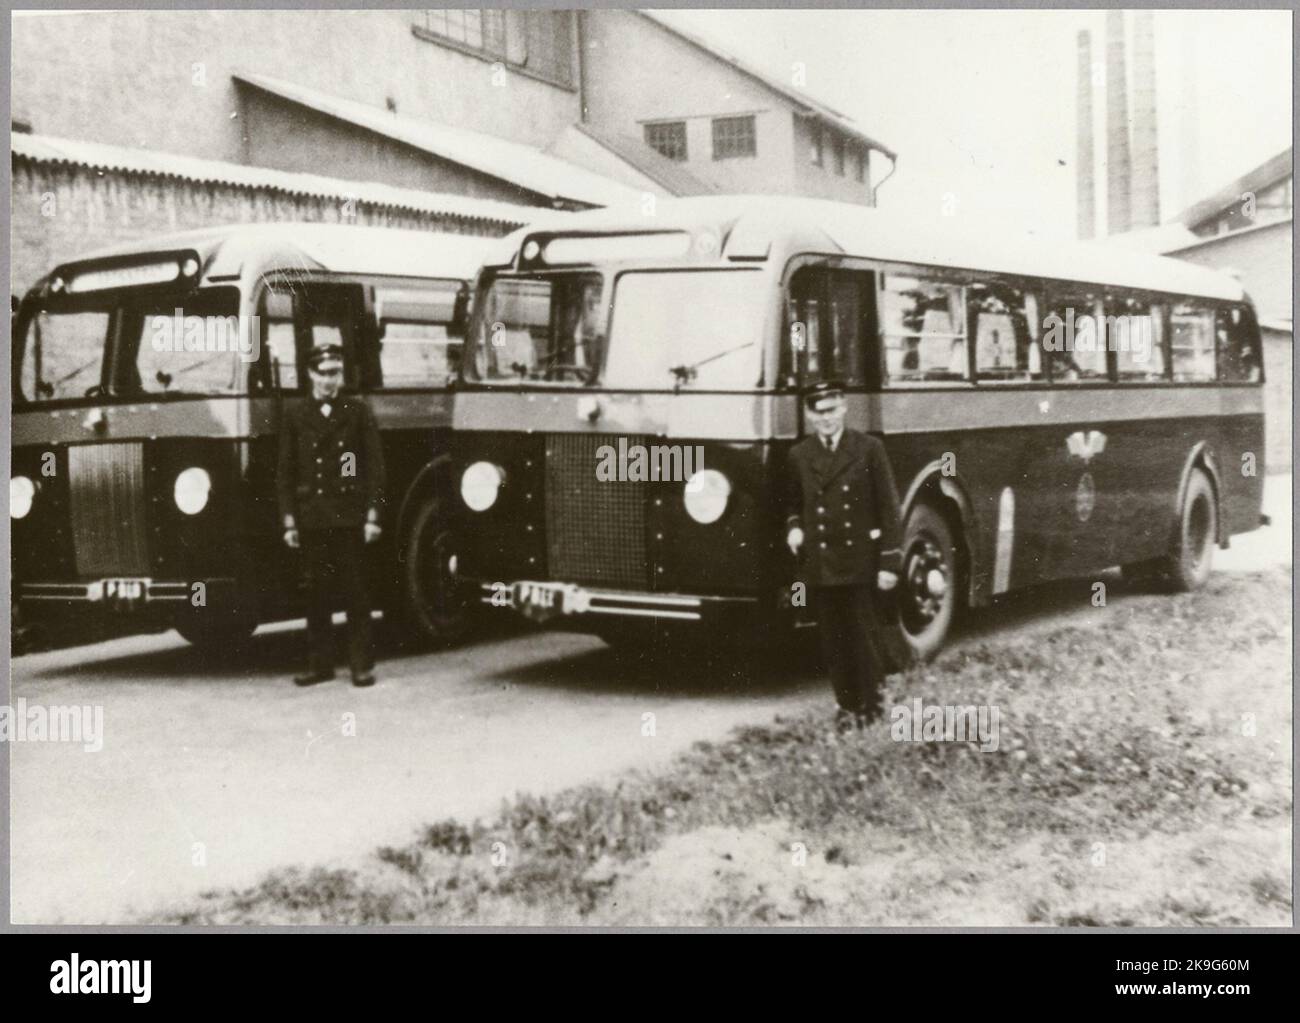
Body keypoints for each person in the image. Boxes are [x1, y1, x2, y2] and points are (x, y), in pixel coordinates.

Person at [786, 380, 904, 729]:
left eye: (832, 411)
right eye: (818, 412)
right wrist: (793, 527)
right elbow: (794, 502)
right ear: (809, 415)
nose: (826, 419)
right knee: (833, 641)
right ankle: (847, 706)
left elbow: (889, 508)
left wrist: (889, 563)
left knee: (864, 638)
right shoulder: (800, 455)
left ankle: (872, 706)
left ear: (844, 409)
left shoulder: (869, 449)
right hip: (822, 565)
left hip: (859, 563)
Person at [277, 343, 386, 687]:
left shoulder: (357, 411)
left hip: (347, 516)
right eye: (323, 373)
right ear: (310, 374)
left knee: (355, 591)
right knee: (316, 594)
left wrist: (372, 515)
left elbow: (373, 467)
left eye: (335, 373)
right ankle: (320, 664)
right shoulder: (295, 414)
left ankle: (361, 665)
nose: (329, 381)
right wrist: (289, 521)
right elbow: (286, 471)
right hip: (312, 517)